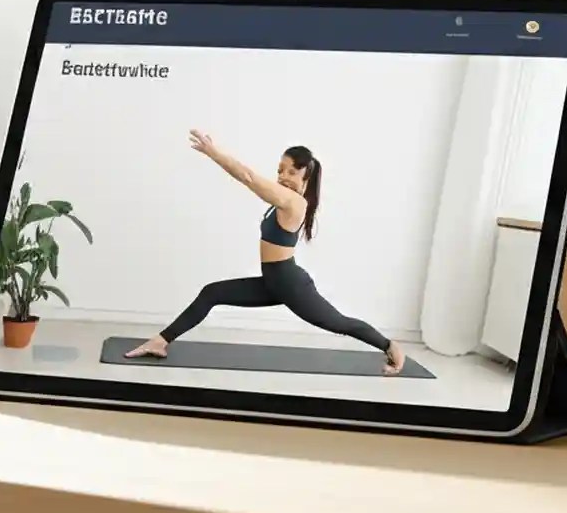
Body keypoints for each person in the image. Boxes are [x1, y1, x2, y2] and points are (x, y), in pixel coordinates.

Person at [124, 129, 407, 375]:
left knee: (338, 324)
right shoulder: (282, 199)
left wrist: (213, 152)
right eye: (280, 170)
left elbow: (247, 177)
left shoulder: (294, 202)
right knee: (212, 293)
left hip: (290, 285)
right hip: (274, 281)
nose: (283, 177)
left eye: (292, 172)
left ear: (306, 178)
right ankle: (161, 341)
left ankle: (390, 346)